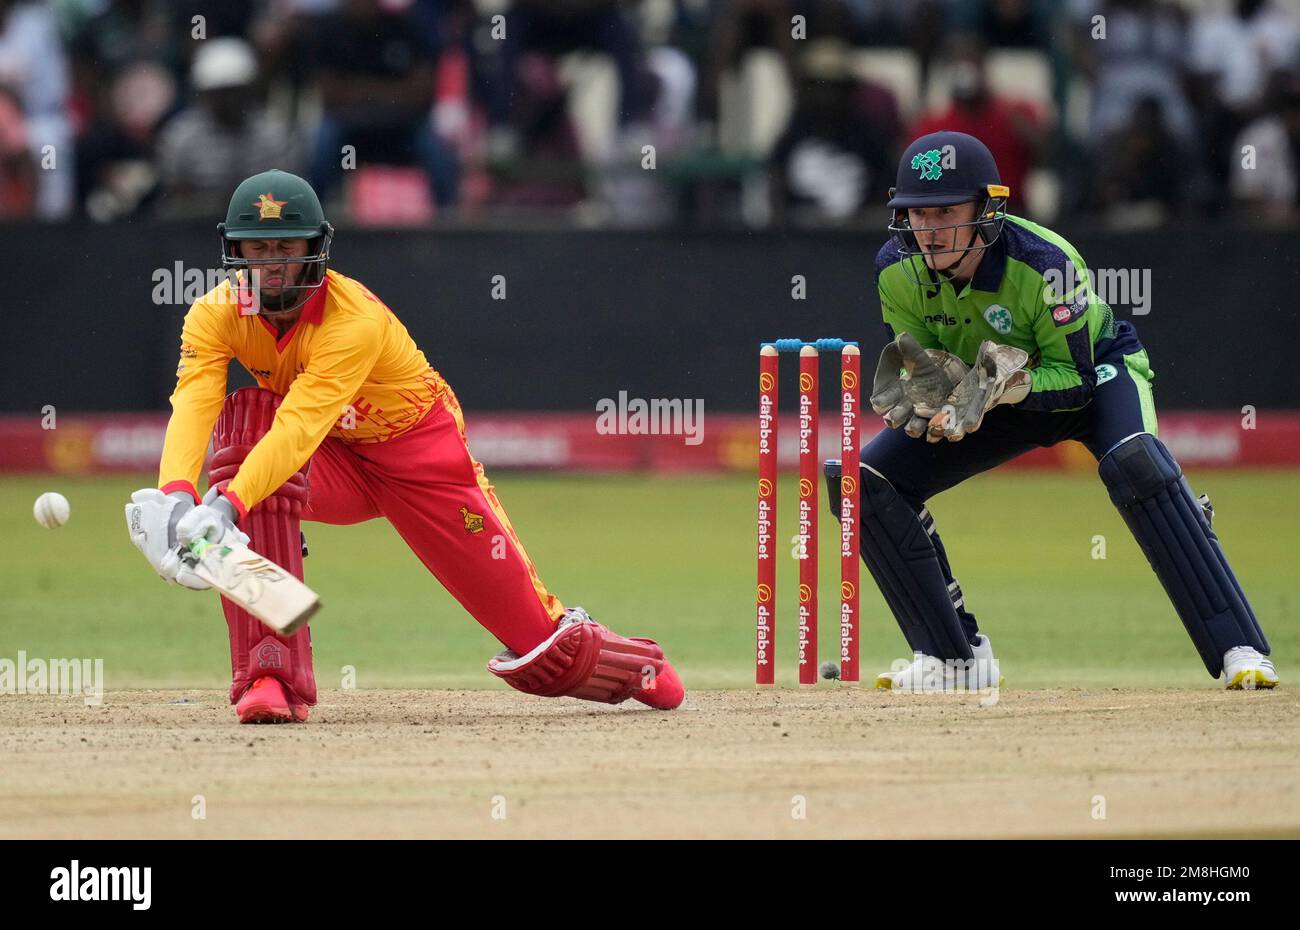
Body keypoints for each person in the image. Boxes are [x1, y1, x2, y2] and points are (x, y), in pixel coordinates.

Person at [125, 168, 683, 723]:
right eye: (257, 248)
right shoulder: (215, 313)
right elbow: (195, 400)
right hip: (333, 460)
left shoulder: (352, 321)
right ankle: (269, 674)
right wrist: (175, 497)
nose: (271, 264)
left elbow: (299, 425)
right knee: (245, 427)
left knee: (540, 648)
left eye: (285, 248)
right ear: (234, 253)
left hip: (420, 458)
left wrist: (223, 507)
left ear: (315, 251)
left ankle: (637, 666)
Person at [826, 130, 1277, 692]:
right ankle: (954, 659)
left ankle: (1242, 648)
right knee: (861, 481)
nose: (929, 229)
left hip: (1092, 375)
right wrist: (931, 391)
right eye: (917, 214)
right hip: (985, 393)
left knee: (1136, 465)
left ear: (987, 211)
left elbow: (1078, 380)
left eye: (946, 211)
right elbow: (928, 361)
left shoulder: (1045, 264)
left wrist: (1006, 386)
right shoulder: (896, 269)